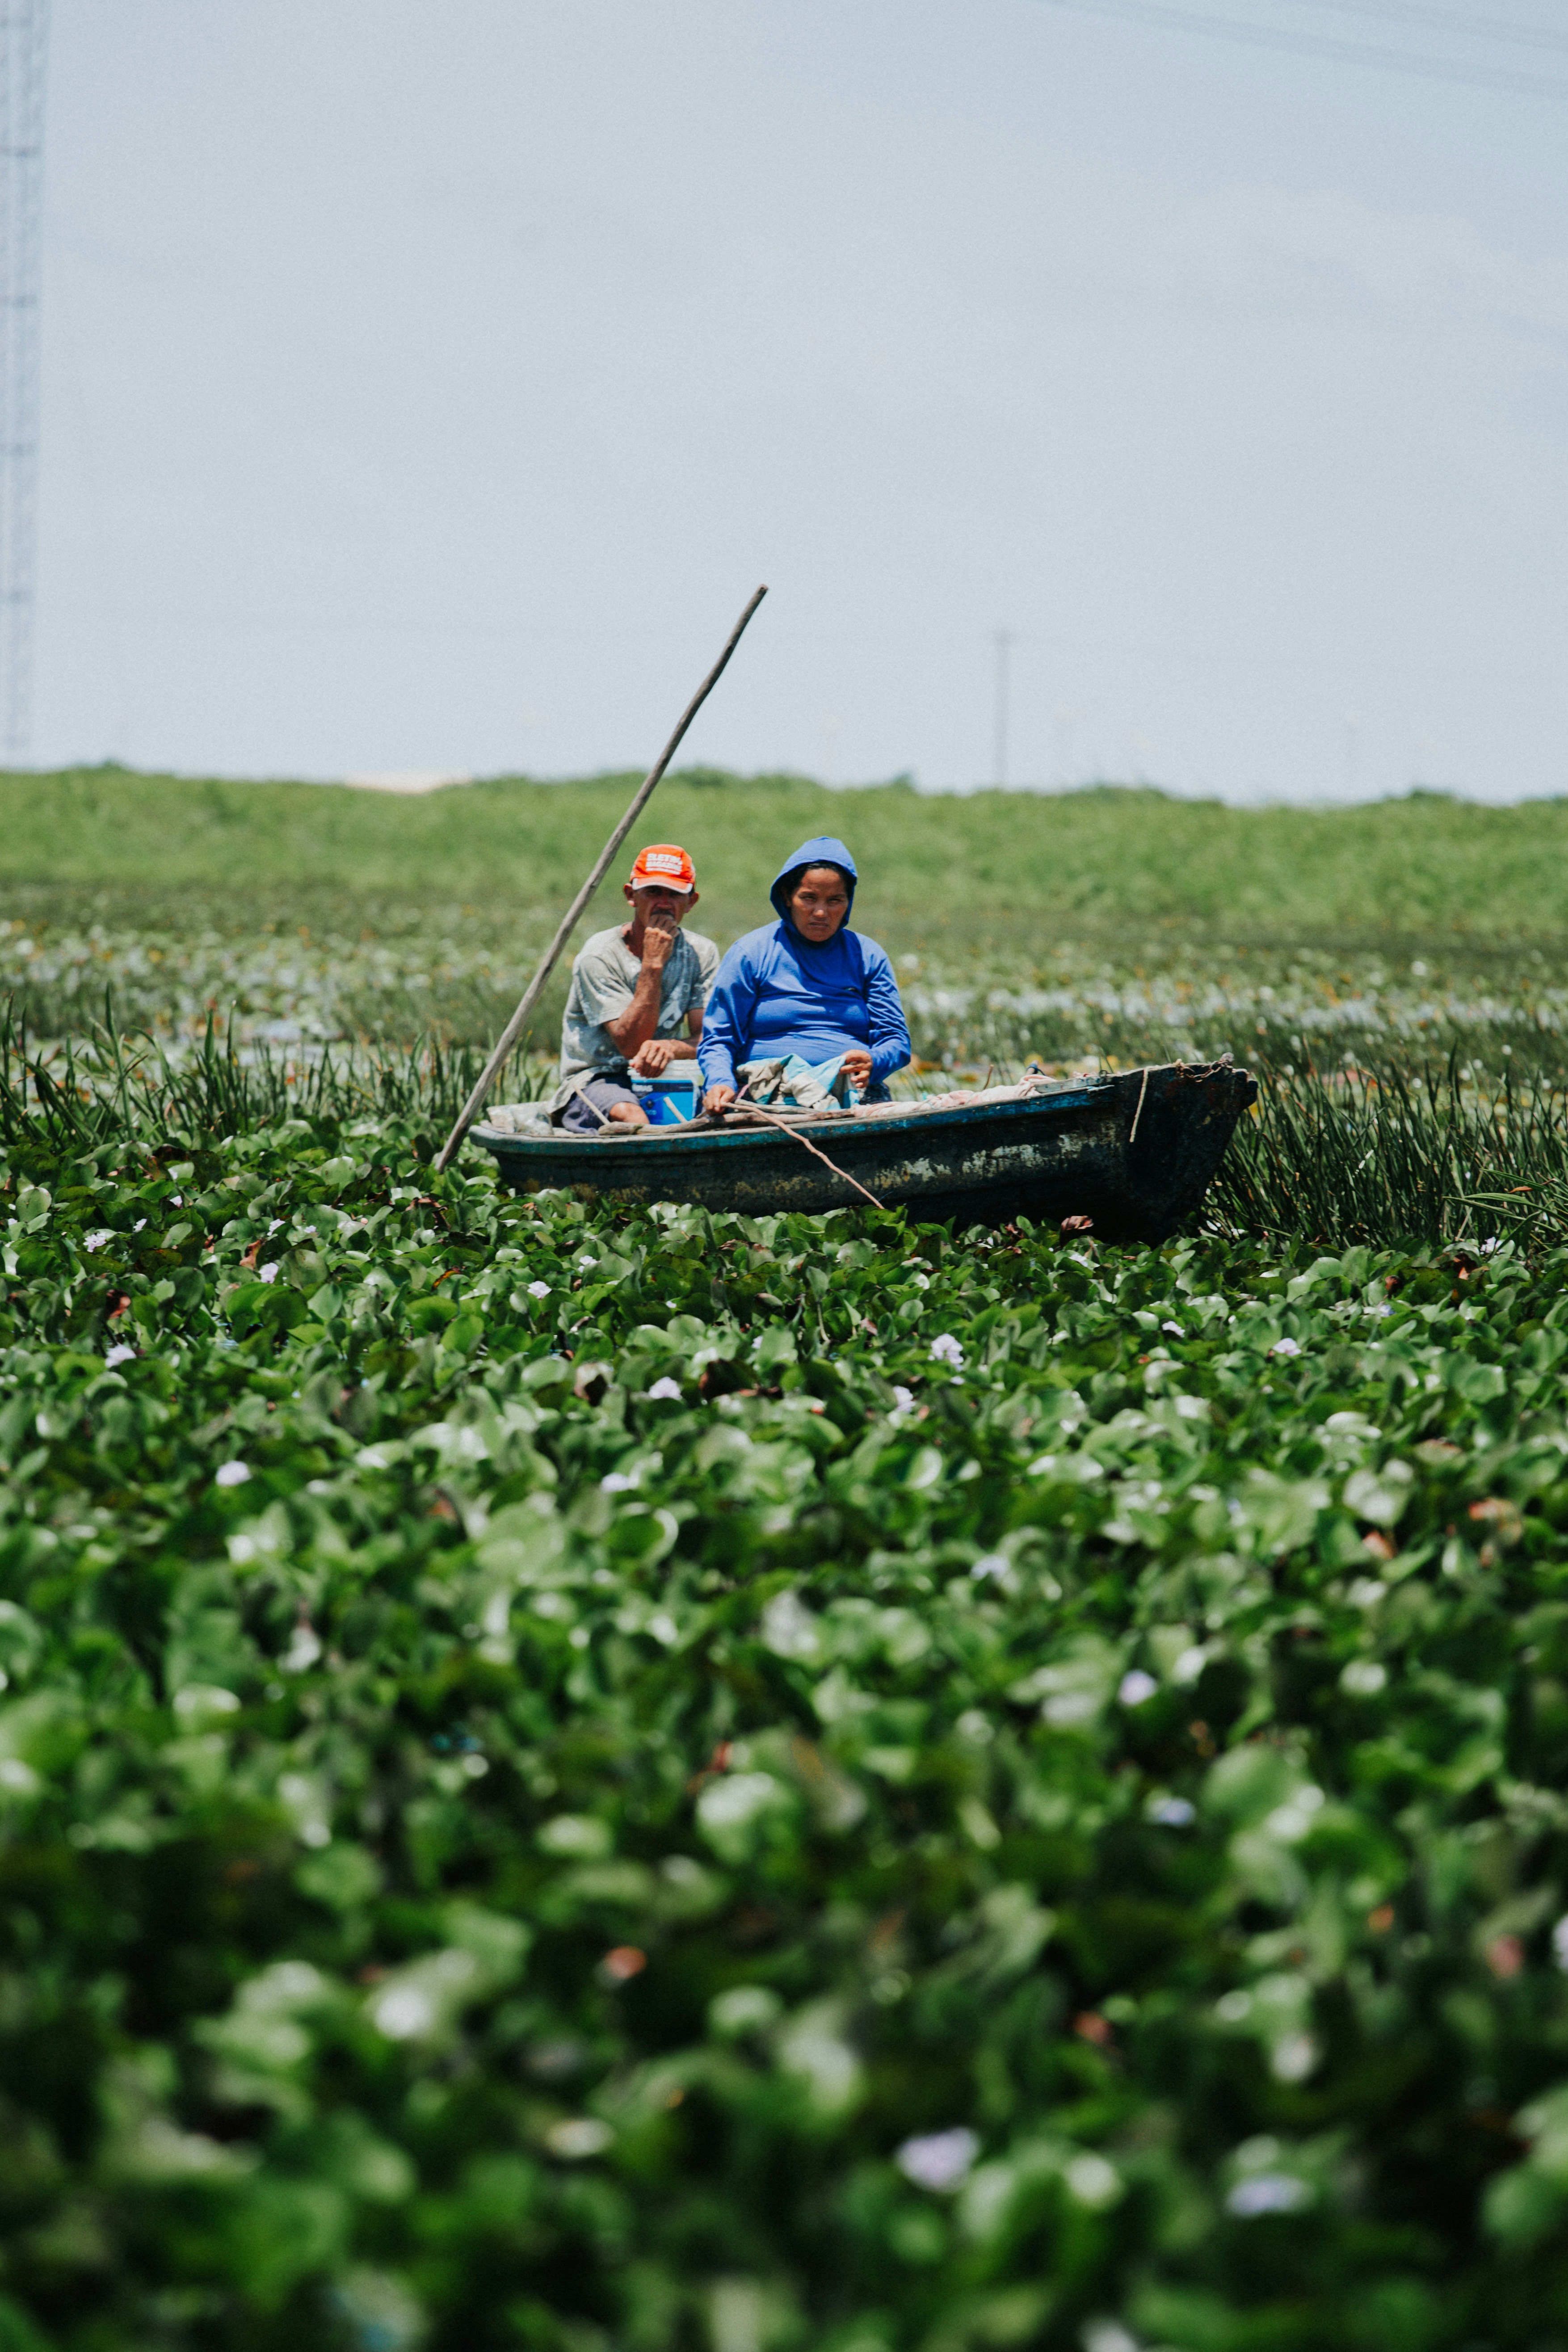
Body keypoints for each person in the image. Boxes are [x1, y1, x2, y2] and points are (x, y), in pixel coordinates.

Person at [698, 835, 910, 1115]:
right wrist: (720, 1082)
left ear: (849, 902)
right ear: (788, 897)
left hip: (853, 1094)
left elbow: (896, 1040)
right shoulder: (751, 953)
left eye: (835, 900)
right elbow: (718, 1039)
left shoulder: (868, 956)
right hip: (765, 1093)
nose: (821, 912)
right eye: (809, 898)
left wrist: (875, 1060)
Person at [550, 844, 719, 1132]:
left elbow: (708, 1037)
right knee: (635, 1120)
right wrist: (653, 964)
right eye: (653, 892)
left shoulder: (701, 952)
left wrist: (671, 1047)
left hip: (666, 1074)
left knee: (718, 1112)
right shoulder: (601, 955)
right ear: (632, 896)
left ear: (691, 902)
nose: (664, 903)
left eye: (675, 894)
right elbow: (631, 1045)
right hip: (599, 1076)